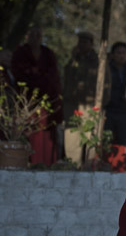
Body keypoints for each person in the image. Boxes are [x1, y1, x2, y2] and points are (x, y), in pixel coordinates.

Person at [11, 25, 63, 164]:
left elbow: (53, 76)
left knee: (44, 134)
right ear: (27, 37)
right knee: (27, 132)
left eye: (38, 36)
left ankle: (45, 163)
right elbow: (19, 73)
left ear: (41, 38)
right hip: (26, 102)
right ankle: (25, 161)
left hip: (45, 101)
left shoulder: (48, 53)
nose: (35, 38)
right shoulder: (20, 52)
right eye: (32, 35)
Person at [62, 32, 99, 163]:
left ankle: (89, 166)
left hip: (90, 105)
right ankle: (73, 165)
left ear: (91, 44)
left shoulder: (97, 61)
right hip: (72, 104)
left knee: (90, 138)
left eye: (85, 42)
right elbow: (66, 79)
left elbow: (103, 84)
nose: (81, 45)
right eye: (80, 41)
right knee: (72, 137)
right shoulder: (73, 61)